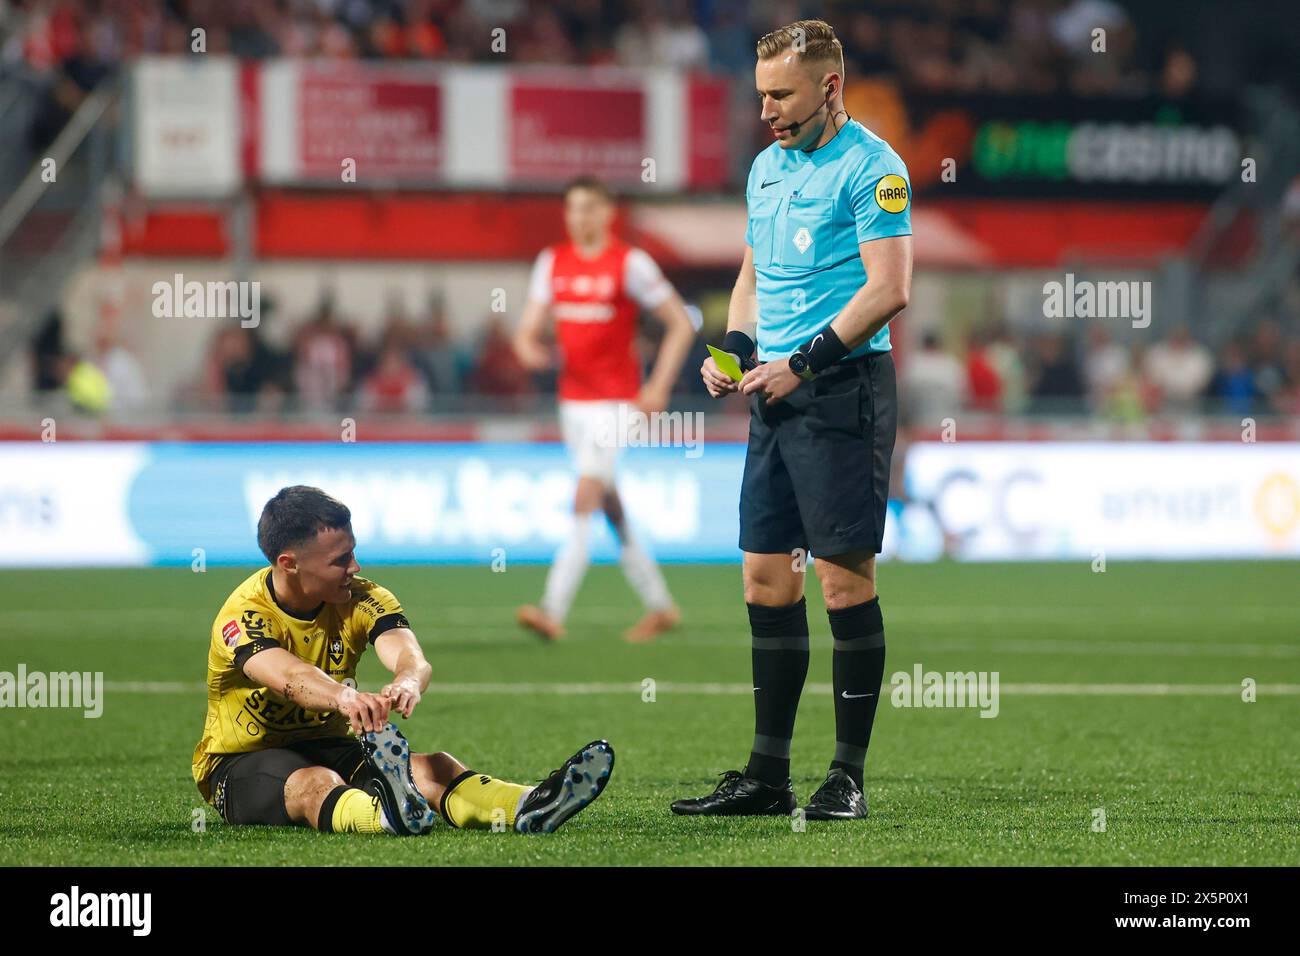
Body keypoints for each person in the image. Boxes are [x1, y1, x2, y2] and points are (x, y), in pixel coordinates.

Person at [681, 18, 912, 821]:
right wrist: (738, 350)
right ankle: (767, 775)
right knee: (765, 580)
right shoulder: (767, 167)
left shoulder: (876, 168)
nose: (768, 110)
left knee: (845, 586)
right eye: (760, 95)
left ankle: (846, 777)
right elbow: (752, 271)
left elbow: (889, 289)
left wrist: (802, 362)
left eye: (781, 94)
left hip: (840, 389)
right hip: (772, 392)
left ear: (829, 85)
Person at [192, 486, 613, 836]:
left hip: (327, 743)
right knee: (317, 784)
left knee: (432, 768)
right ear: (289, 563)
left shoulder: (362, 596)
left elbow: (406, 650)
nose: (354, 567)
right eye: (339, 560)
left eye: (352, 552)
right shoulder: (244, 616)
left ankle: (529, 803)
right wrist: (344, 698)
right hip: (240, 762)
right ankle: (386, 816)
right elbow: (287, 676)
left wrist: (407, 680)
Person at [512, 176, 697, 643]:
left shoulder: (629, 263)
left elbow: (680, 324)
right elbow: (527, 331)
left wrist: (658, 386)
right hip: (572, 404)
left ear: (608, 212)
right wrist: (529, 348)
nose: (580, 217)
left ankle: (552, 608)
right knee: (610, 506)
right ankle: (660, 605)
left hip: (618, 404)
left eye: (590, 207)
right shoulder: (551, 262)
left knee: (585, 494)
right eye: (573, 208)